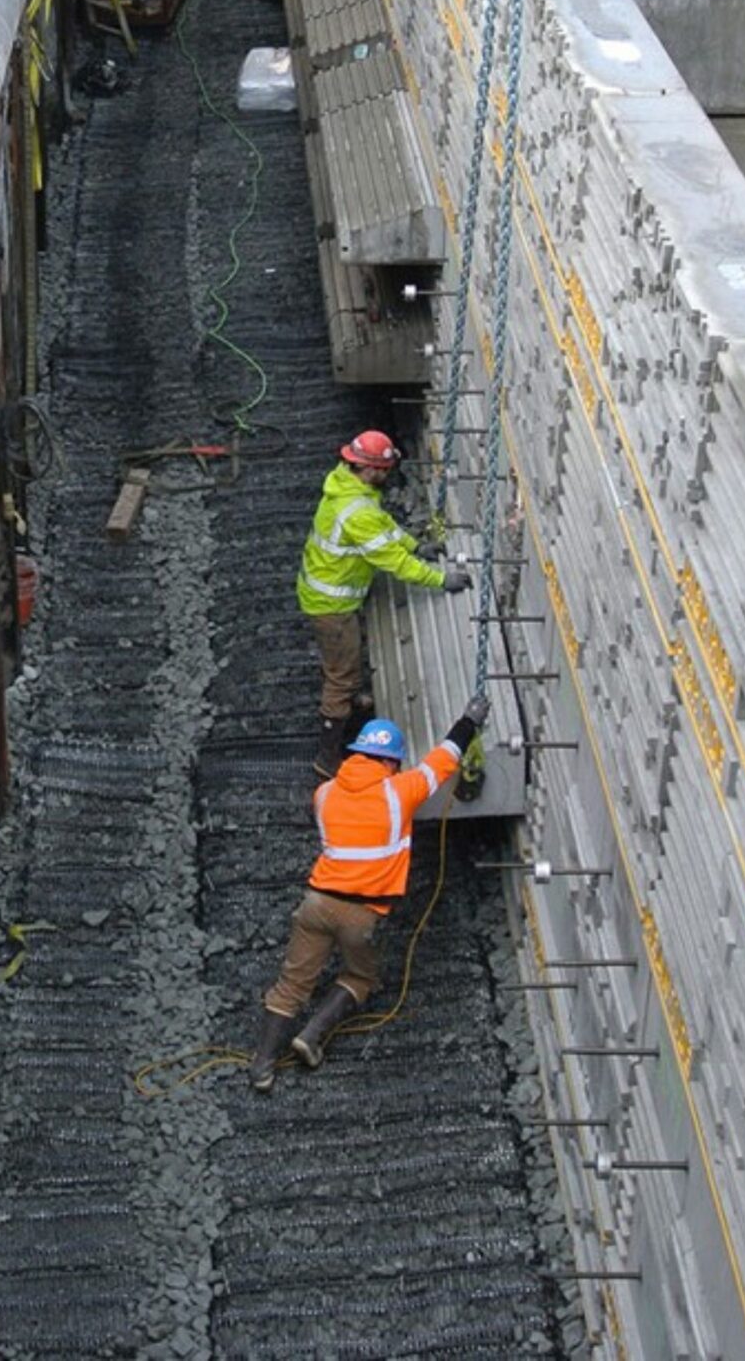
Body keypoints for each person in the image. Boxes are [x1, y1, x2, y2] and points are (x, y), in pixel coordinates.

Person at [247, 695, 490, 1092]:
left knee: (292, 983)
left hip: (316, 902)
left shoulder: (324, 794)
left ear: (356, 754)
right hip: (361, 913)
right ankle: (311, 1036)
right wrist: (469, 721)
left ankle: (262, 1066)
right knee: (361, 976)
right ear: (391, 761)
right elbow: (442, 762)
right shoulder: (401, 791)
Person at [296, 431, 471, 775]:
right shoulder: (356, 511)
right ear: (371, 469)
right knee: (340, 674)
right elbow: (392, 561)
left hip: (329, 595)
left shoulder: (349, 488)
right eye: (385, 469)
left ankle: (351, 700)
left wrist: (414, 545)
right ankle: (328, 755)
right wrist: (439, 579)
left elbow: (384, 529)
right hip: (330, 605)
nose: (388, 475)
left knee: (344, 655)